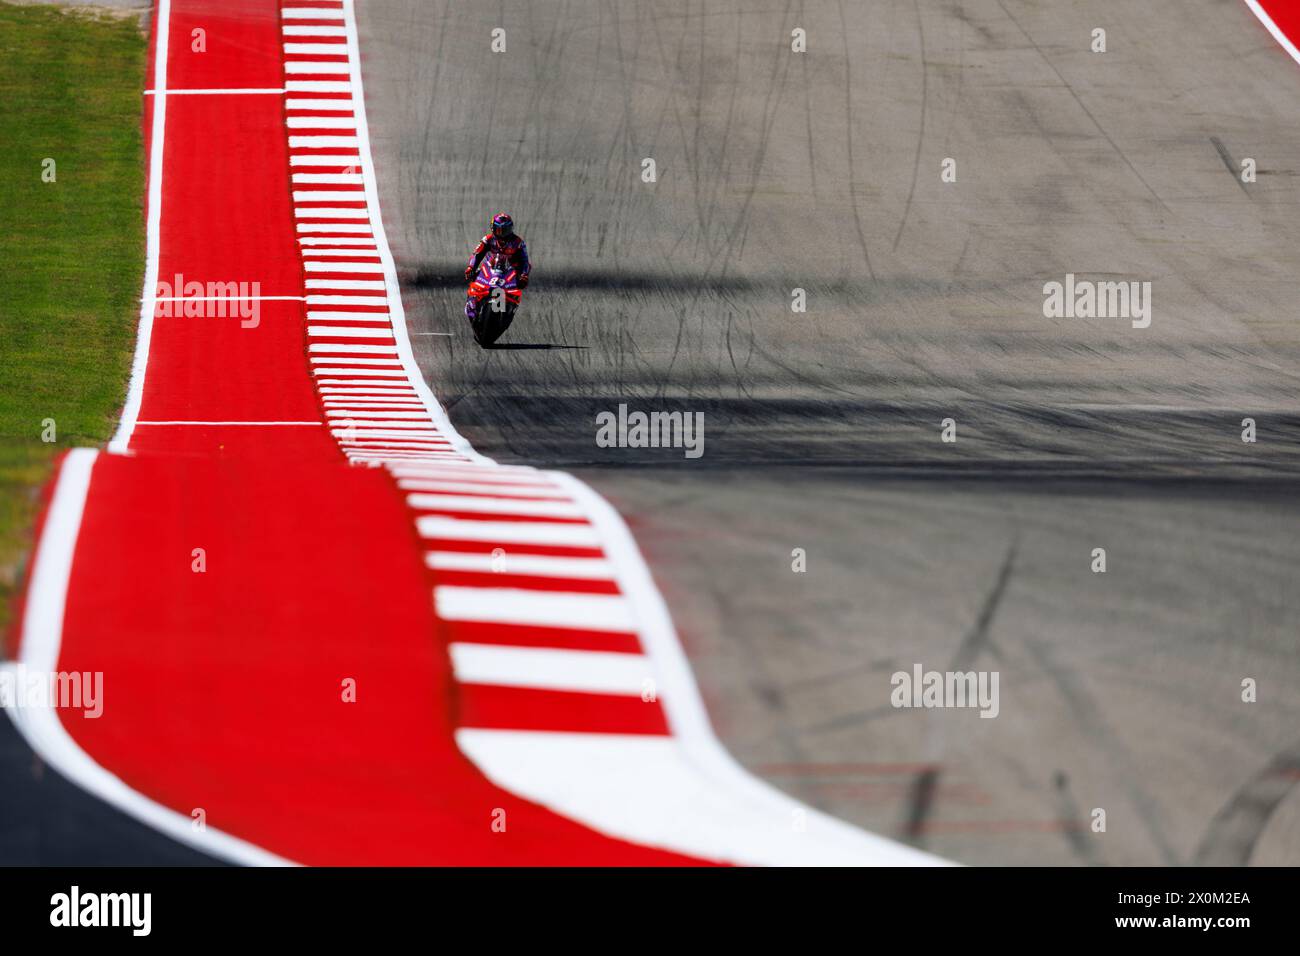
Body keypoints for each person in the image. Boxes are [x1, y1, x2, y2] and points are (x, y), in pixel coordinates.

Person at [464, 213, 530, 287]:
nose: (503, 234)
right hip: (490, 271)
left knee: (521, 283)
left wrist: (524, 275)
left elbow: (525, 261)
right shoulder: (487, 239)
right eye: (499, 230)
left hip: (510, 273)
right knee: (473, 282)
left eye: (506, 230)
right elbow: (476, 255)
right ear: (493, 229)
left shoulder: (518, 242)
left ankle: (512, 297)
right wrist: (471, 267)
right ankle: (473, 297)